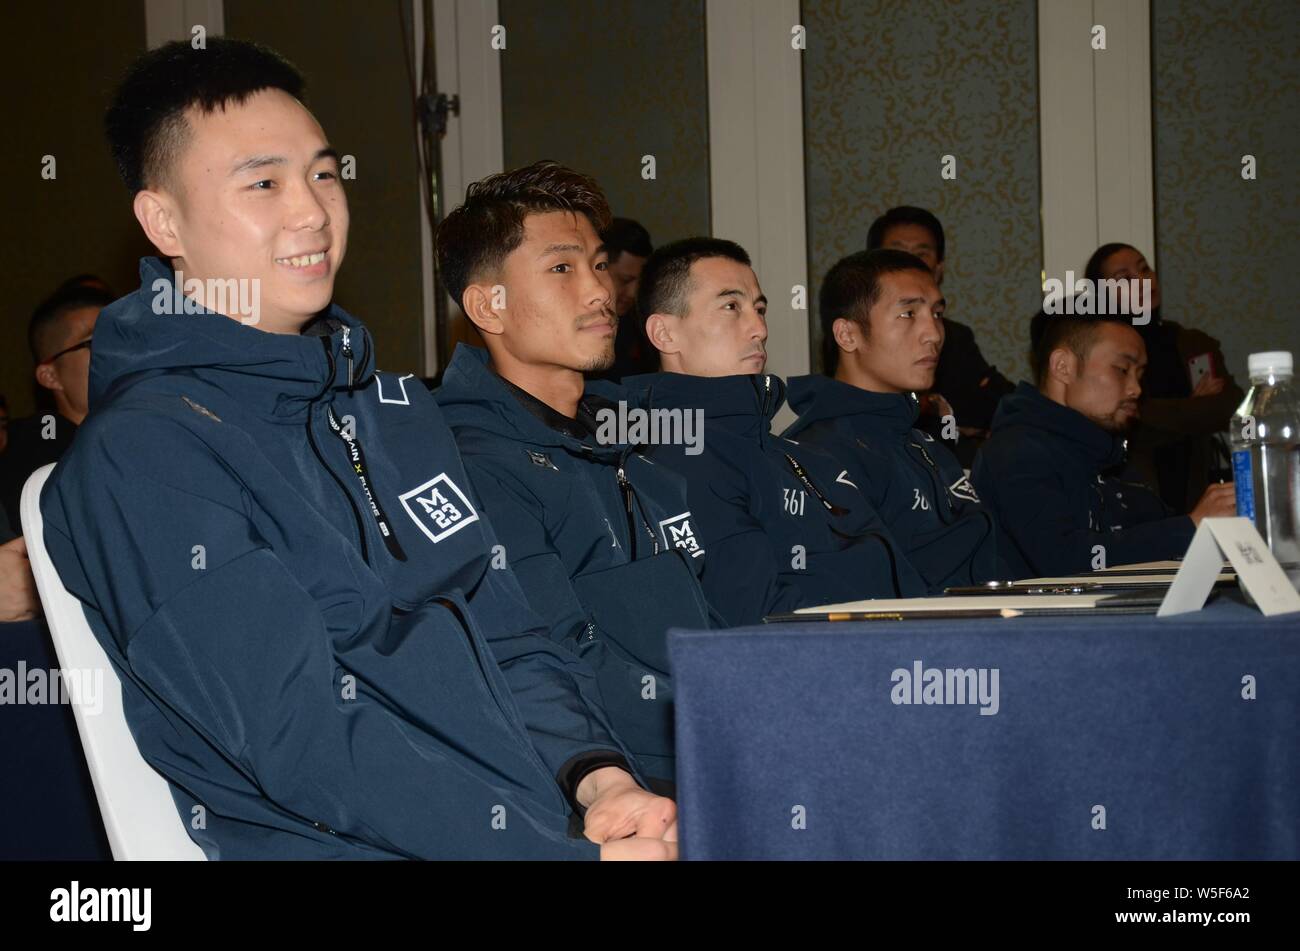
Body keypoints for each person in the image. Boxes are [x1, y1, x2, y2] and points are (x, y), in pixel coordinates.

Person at [41, 37, 674, 860]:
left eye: (324, 174)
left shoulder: (389, 407)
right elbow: (299, 736)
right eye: (262, 183)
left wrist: (595, 777)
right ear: (164, 221)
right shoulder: (147, 456)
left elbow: (507, 629)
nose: (312, 211)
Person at [433, 163, 713, 786]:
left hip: (706, 740)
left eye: (599, 264)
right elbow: (550, 658)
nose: (600, 291)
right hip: (620, 783)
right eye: (562, 268)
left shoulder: (627, 439)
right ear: (488, 305)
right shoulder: (471, 461)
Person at [626, 237, 925, 627]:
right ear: (665, 334)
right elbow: (762, 621)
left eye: (760, 308)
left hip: (907, 647)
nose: (759, 327)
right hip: (841, 669)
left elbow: (903, 579)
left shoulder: (795, 452)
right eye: (731, 306)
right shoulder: (681, 459)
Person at [784, 249, 1002, 591]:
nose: (934, 333)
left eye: (937, 313)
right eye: (908, 313)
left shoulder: (925, 443)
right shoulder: (817, 455)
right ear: (848, 335)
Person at [972, 312, 1237, 577]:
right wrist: (1190, 527)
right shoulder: (1015, 452)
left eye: (1139, 375)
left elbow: (1156, 533)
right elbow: (1062, 559)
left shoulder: (1106, 452)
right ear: (1063, 367)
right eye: (1122, 370)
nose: (1136, 389)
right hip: (1039, 617)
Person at [1084, 242, 1243, 512]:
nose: (1143, 280)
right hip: (1132, 495)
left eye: (1145, 269)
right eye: (1125, 278)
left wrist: (1150, 414)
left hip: (1196, 487)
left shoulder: (1192, 342)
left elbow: (1231, 407)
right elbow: (1124, 424)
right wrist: (1195, 411)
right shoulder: (1099, 352)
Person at [866, 206, 1014, 466]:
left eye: (922, 254)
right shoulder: (858, 330)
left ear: (938, 269)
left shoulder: (953, 336)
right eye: (898, 253)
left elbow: (994, 404)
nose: (910, 263)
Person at [0, 281, 113, 531]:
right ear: (50, 375)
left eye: (122, 336)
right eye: (93, 342)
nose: (116, 351)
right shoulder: (41, 454)